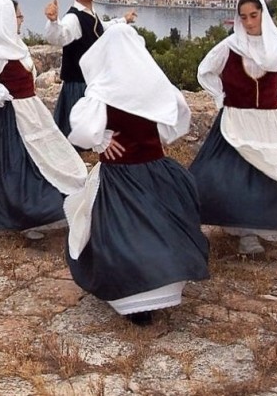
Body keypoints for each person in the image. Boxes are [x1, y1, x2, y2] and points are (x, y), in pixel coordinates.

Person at [64, 24, 209, 326]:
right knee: (161, 229)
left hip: (120, 176)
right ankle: (159, 286)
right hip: (156, 171)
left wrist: (100, 139)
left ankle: (132, 299)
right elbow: (176, 124)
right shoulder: (155, 87)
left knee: (123, 234)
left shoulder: (102, 91)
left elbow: (81, 130)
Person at [189, 0, 277, 255]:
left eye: (253, 15)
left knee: (268, 177)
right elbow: (205, 71)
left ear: (263, 14)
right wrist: (221, 96)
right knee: (227, 175)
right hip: (236, 118)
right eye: (244, 17)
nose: (249, 22)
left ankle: (258, 229)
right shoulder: (229, 47)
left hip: (267, 120)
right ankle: (238, 228)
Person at [0, 0, 87, 239]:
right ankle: (12, 216)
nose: (21, 20)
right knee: (12, 167)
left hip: (31, 112)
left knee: (40, 161)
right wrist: (1, 94)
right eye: (18, 16)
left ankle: (30, 219)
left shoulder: (16, 46)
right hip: (9, 117)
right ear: (7, 19)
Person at [43, 0, 137, 138]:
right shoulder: (73, 18)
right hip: (79, 86)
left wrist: (125, 20)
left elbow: (102, 26)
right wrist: (53, 22)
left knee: (91, 136)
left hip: (91, 84)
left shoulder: (90, 14)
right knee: (79, 137)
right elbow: (60, 36)